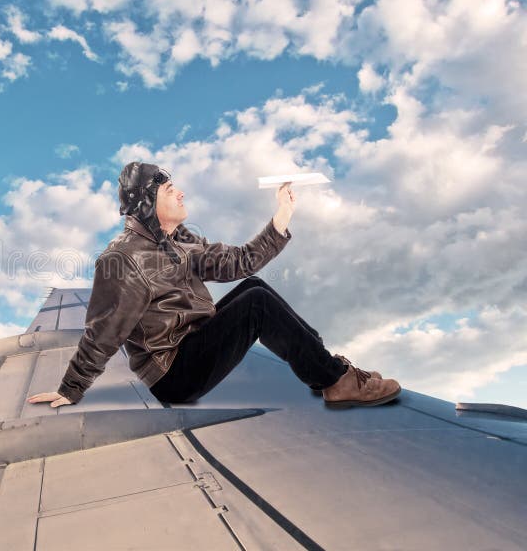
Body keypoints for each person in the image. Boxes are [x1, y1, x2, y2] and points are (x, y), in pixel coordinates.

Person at [28, 161, 400, 409]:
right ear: (146, 203)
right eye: (170, 189)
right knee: (256, 303)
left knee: (254, 287)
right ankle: (336, 381)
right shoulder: (123, 259)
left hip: (194, 342)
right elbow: (103, 333)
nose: (180, 193)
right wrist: (70, 389)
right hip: (173, 373)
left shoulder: (180, 239)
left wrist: (281, 216)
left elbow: (238, 263)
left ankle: (325, 369)